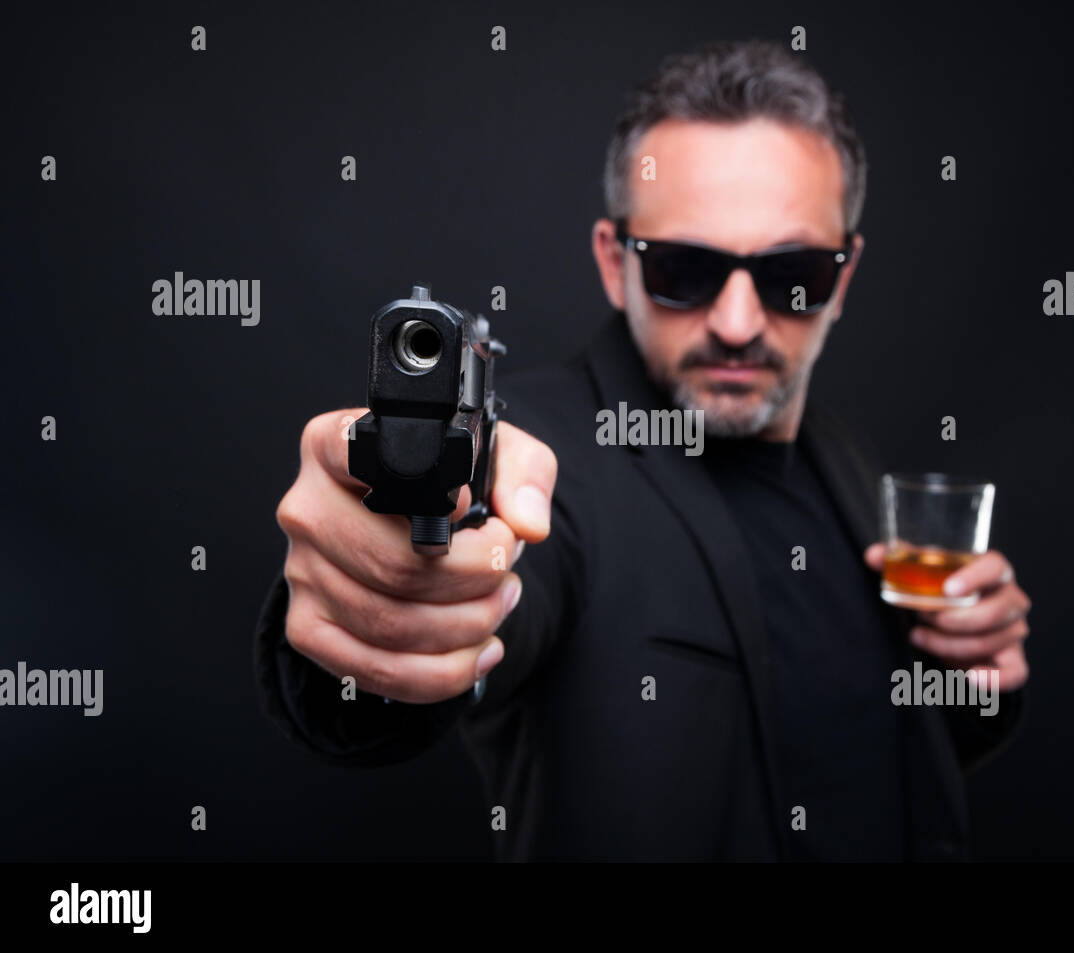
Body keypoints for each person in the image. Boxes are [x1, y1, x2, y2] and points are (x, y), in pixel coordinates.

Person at [254, 38, 1032, 861]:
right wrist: (379, 603)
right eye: (683, 269)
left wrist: (977, 677)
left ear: (841, 280)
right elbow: (423, 628)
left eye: (793, 273)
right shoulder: (544, 456)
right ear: (612, 262)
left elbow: (851, 742)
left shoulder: (850, 464)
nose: (737, 322)